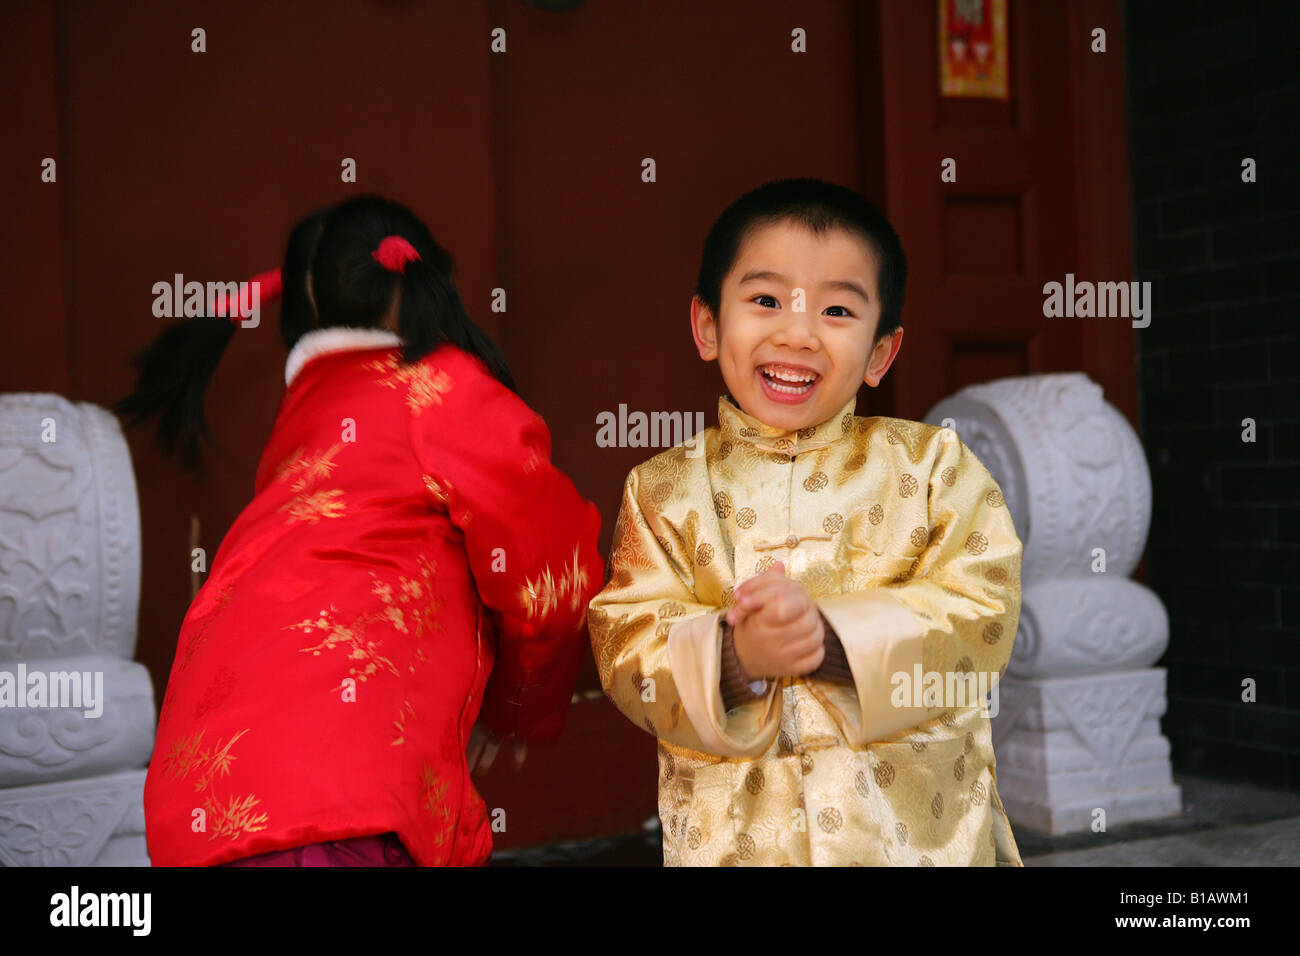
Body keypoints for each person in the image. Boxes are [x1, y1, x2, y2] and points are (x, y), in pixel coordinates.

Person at [122, 195, 601, 866]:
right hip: (347, 807)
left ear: (294, 322)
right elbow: (551, 567)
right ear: (422, 284)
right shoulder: (440, 392)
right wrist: (519, 704)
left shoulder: (300, 430)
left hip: (200, 814)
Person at [588, 178, 1023, 866]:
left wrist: (832, 638)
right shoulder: (663, 492)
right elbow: (625, 644)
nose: (797, 333)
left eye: (838, 310)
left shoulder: (933, 468)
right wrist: (736, 658)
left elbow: (981, 615)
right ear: (707, 325)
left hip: (910, 839)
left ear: (881, 352)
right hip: (736, 841)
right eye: (765, 300)